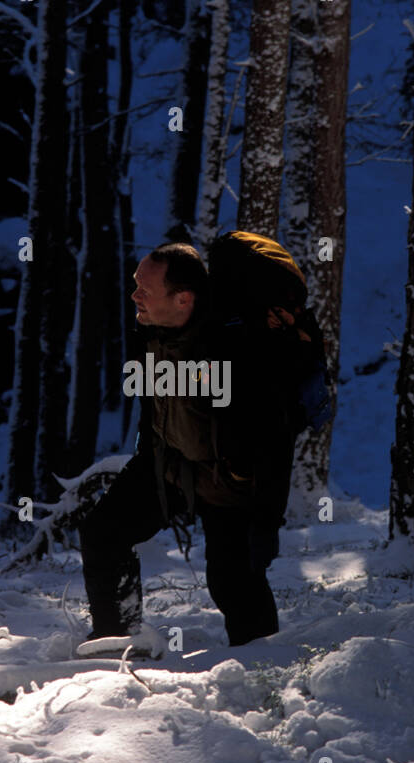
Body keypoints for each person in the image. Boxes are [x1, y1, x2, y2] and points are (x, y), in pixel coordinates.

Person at [77, 241, 298, 648]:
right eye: (134, 285)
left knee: (232, 582)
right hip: (170, 464)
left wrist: (266, 522)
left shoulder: (235, 353)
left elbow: (274, 443)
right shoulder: (151, 335)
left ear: (183, 299)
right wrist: (144, 467)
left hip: (229, 480)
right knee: (102, 533)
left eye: (145, 289)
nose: (134, 296)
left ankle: (260, 665)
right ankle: (115, 641)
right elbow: (153, 409)